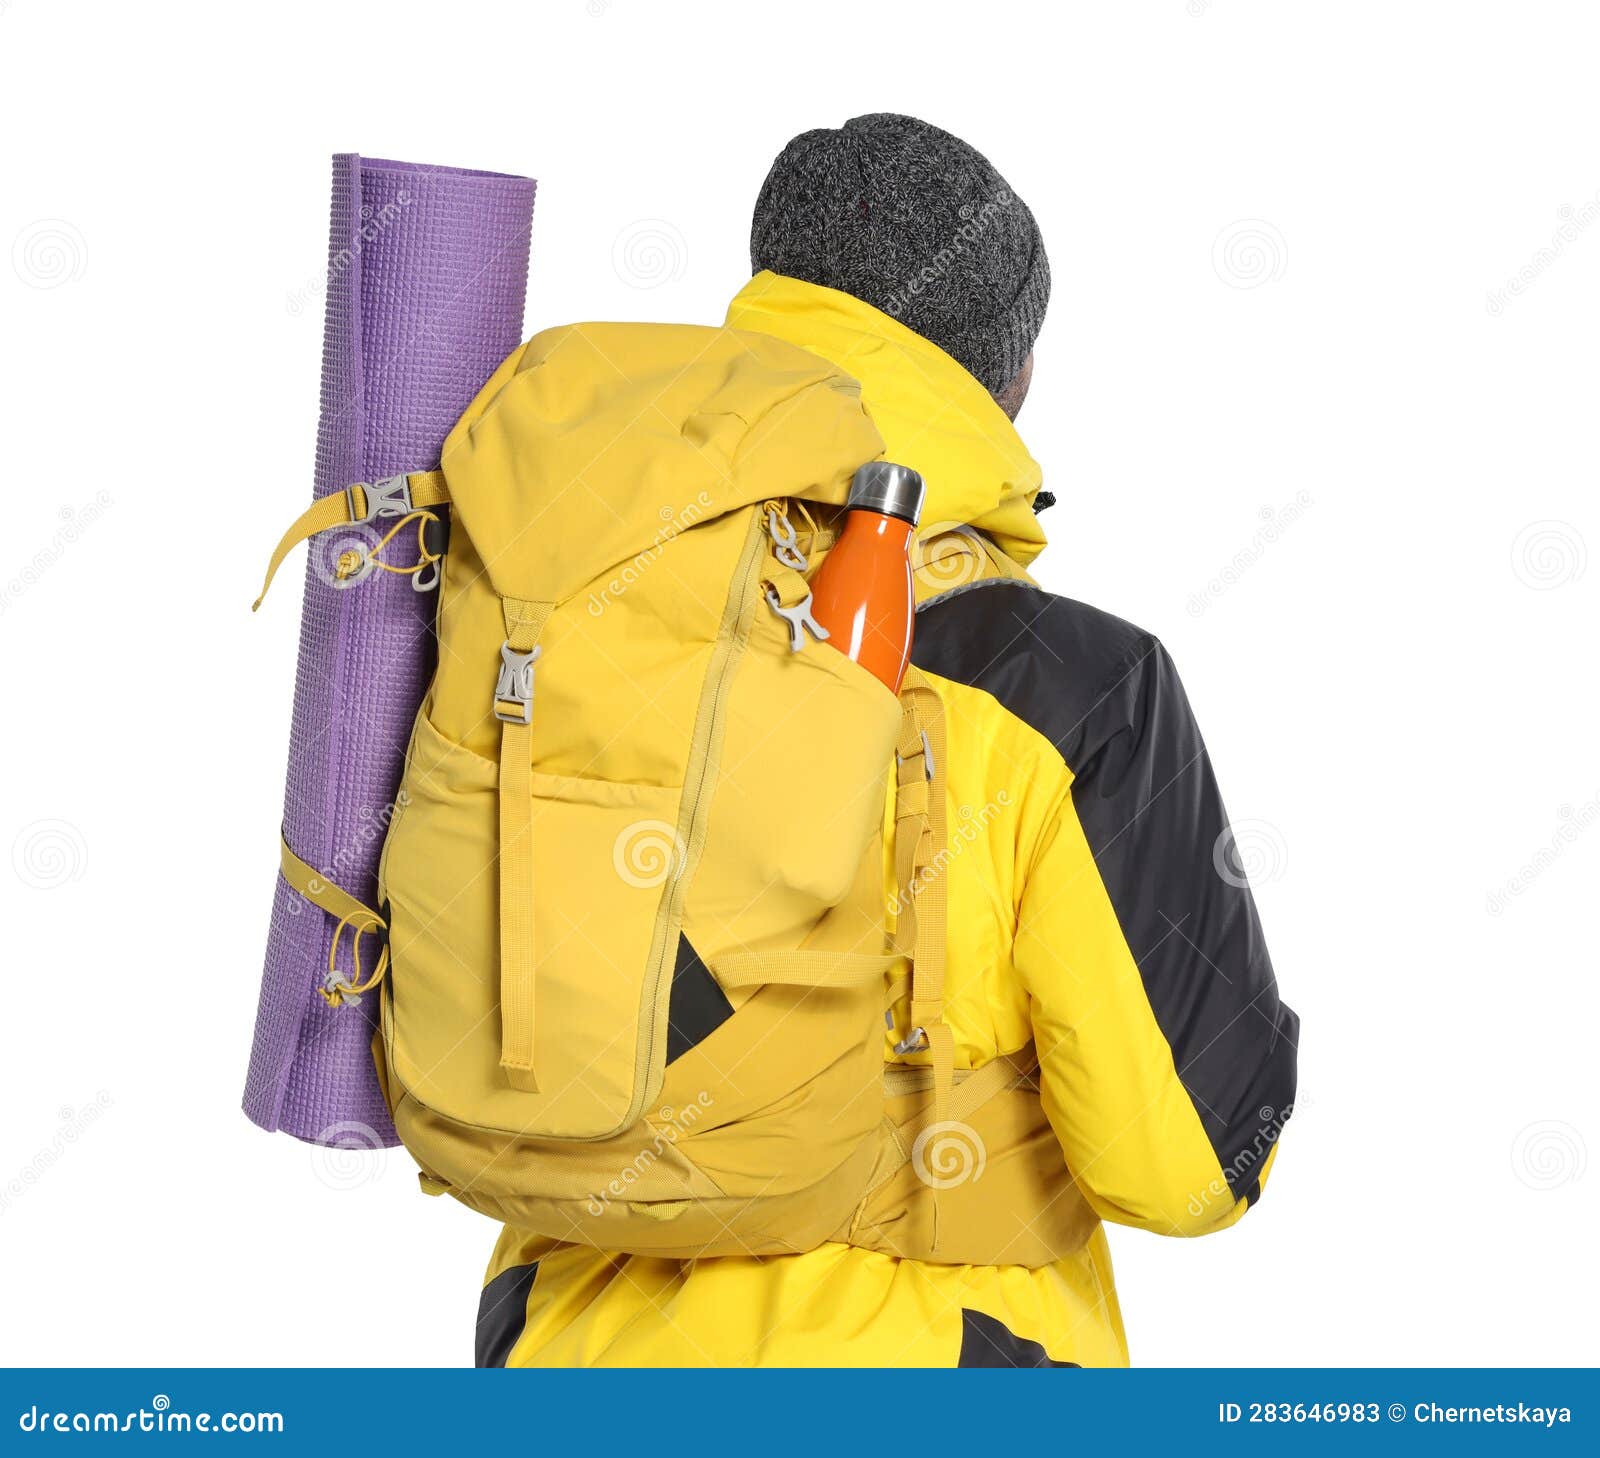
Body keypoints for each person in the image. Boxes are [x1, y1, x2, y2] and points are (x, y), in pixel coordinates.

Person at [476, 113, 1298, 1368]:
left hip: (561, 1350)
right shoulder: (1071, 689)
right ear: (1008, 379)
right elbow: (1183, 1171)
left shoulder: (552, 587)